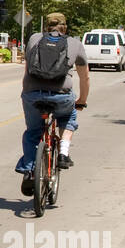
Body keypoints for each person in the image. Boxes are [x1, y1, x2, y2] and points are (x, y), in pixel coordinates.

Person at [15, 12, 89, 195]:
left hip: (33, 94)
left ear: (45, 26)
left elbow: (28, 70)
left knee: (33, 132)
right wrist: (82, 101)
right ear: (65, 27)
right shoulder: (74, 43)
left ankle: (30, 171)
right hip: (61, 95)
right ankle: (63, 153)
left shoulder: (34, 39)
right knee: (69, 114)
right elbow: (85, 77)